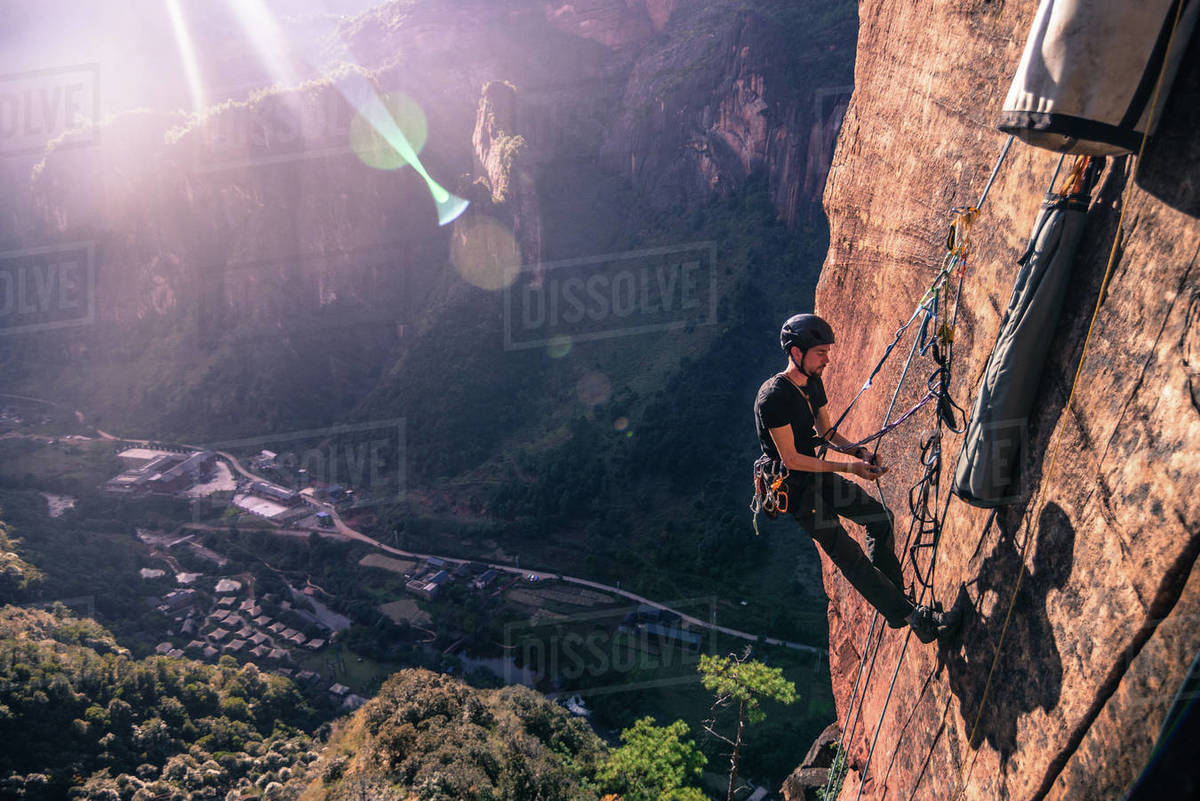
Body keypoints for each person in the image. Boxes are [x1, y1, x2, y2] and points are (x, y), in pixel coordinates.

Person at [753, 313, 957, 643]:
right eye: (820, 352)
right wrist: (851, 469)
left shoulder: (812, 383)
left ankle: (901, 606)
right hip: (798, 491)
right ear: (796, 353)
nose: (827, 360)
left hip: (817, 475)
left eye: (827, 352)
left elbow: (827, 431)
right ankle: (910, 614)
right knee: (849, 556)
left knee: (880, 518)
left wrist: (859, 453)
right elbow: (791, 458)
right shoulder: (773, 397)